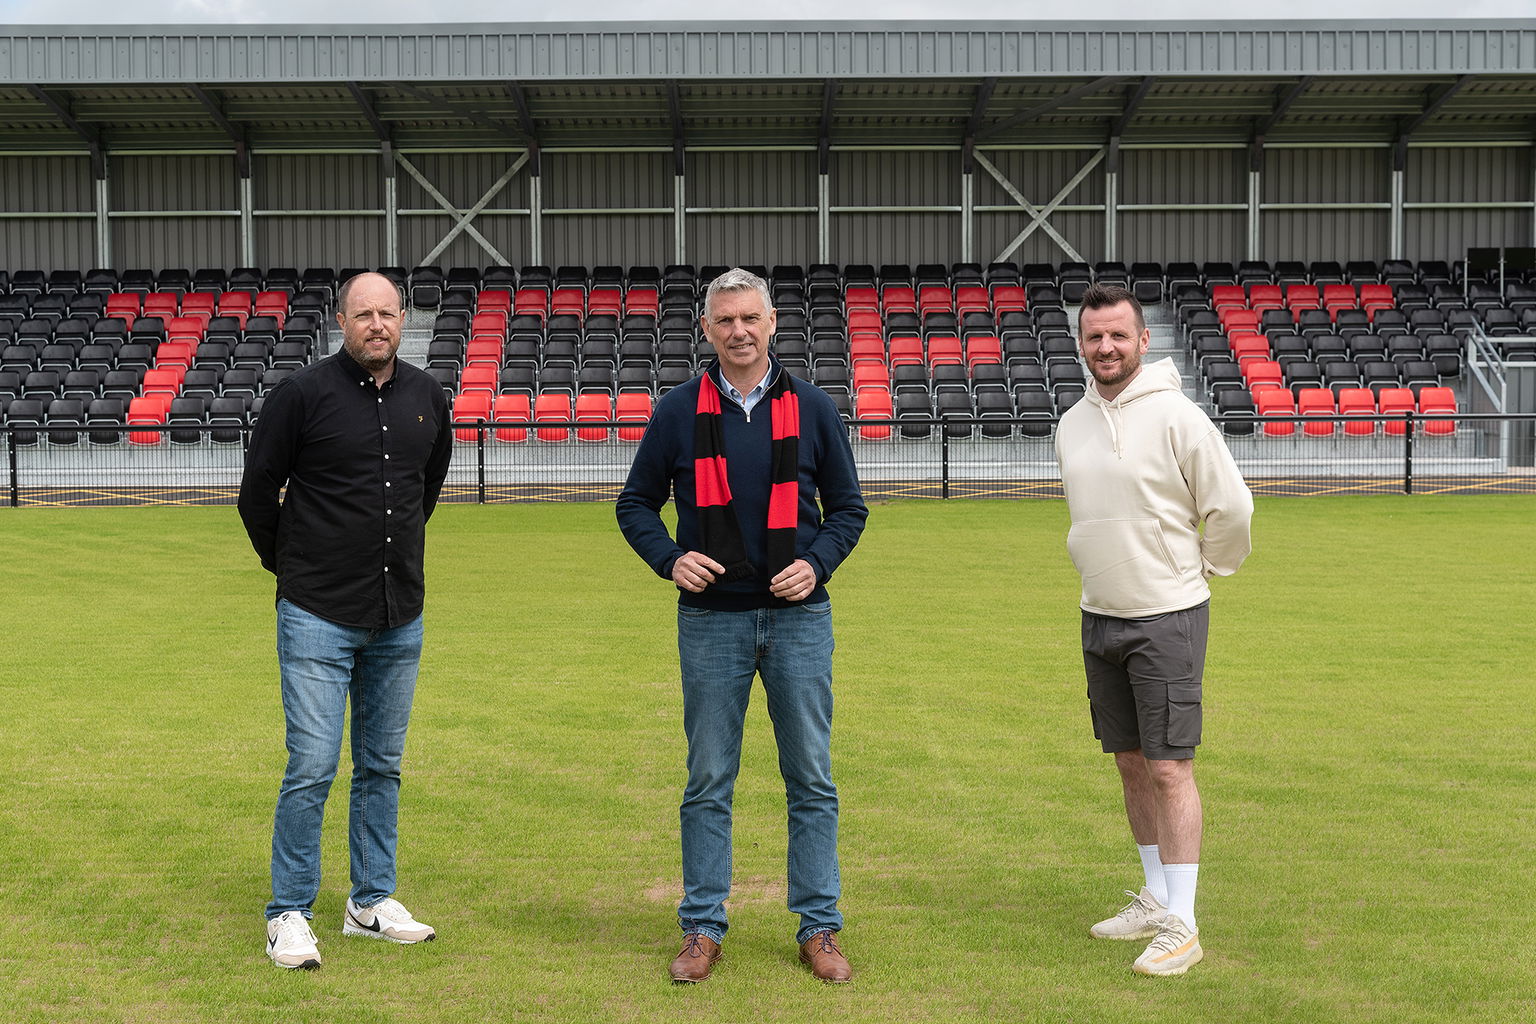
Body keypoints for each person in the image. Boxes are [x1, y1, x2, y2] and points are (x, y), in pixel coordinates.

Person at [616, 267, 868, 984]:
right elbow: (635, 503)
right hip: (710, 622)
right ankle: (702, 927)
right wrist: (669, 559)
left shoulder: (815, 409)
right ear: (707, 330)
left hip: (798, 620)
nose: (739, 331)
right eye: (725, 320)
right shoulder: (674, 412)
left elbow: (850, 509)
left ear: (771, 323)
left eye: (750, 318)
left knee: (811, 777)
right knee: (708, 778)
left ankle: (819, 927)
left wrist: (817, 564)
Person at [238, 271, 452, 969]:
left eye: (387, 313)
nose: (376, 325)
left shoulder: (428, 397)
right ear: (342, 321)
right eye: (363, 314)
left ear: (402, 320)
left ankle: (369, 902)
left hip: (398, 615)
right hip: (316, 615)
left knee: (382, 766)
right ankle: (288, 911)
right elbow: (256, 495)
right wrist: (295, 572)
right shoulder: (301, 396)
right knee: (312, 765)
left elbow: (425, 492)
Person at [1054, 282, 1253, 977]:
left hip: (1167, 614)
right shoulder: (1072, 422)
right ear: (1081, 344)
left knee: (1171, 767)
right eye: (1093, 337)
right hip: (1098, 612)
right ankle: (1156, 895)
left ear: (1143, 340)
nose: (1105, 347)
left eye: (1117, 335)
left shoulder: (1179, 417)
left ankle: (1185, 925)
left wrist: (1197, 570)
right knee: (1131, 762)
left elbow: (1231, 507)